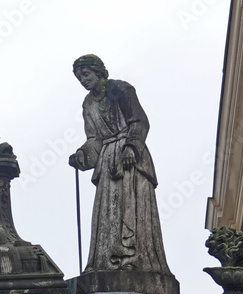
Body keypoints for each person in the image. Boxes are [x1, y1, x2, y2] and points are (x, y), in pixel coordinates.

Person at [69, 54, 171, 278]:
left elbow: (139, 121)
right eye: (79, 78)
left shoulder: (121, 90)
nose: (83, 80)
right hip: (107, 161)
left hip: (130, 160)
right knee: (109, 214)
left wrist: (131, 148)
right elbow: (94, 138)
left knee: (132, 209)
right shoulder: (87, 104)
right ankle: (106, 261)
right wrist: (82, 155)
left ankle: (135, 260)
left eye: (86, 74)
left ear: (99, 72)